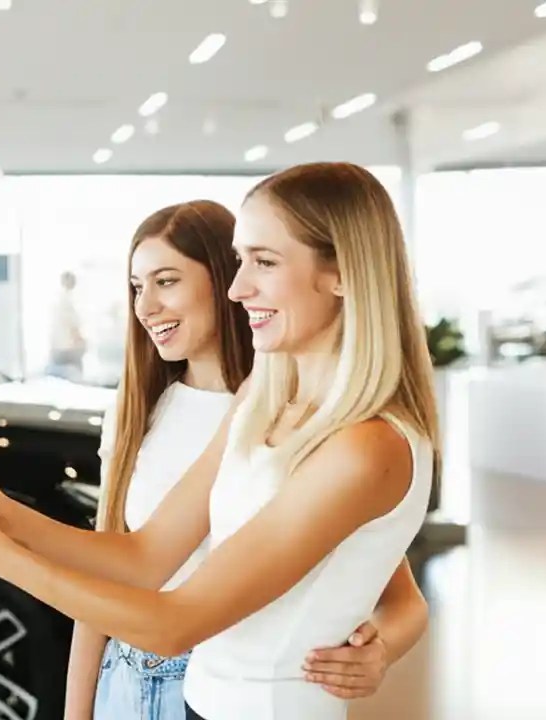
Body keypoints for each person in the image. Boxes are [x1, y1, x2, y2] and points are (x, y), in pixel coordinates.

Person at [0, 162, 437, 720]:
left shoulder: (368, 448)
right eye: (240, 260)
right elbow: (144, 557)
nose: (239, 287)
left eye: (264, 262)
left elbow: (175, 624)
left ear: (344, 273)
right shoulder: (262, 400)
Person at [60, 199, 428, 720]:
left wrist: (380, 648)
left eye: (166, 281)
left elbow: (403, 599)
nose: (145, 307)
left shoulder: (290, 422)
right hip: (126, 677)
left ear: (221, 277)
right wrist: (78, 711)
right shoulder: (137, 409)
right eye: (137, 287)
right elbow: (112, 566)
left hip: (219, 684)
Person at [48, 270, 88, 380]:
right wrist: (81, 342)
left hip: (58, 349)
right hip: (67, 350)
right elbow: (72, 326)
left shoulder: (58, 299)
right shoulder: (66, 300)